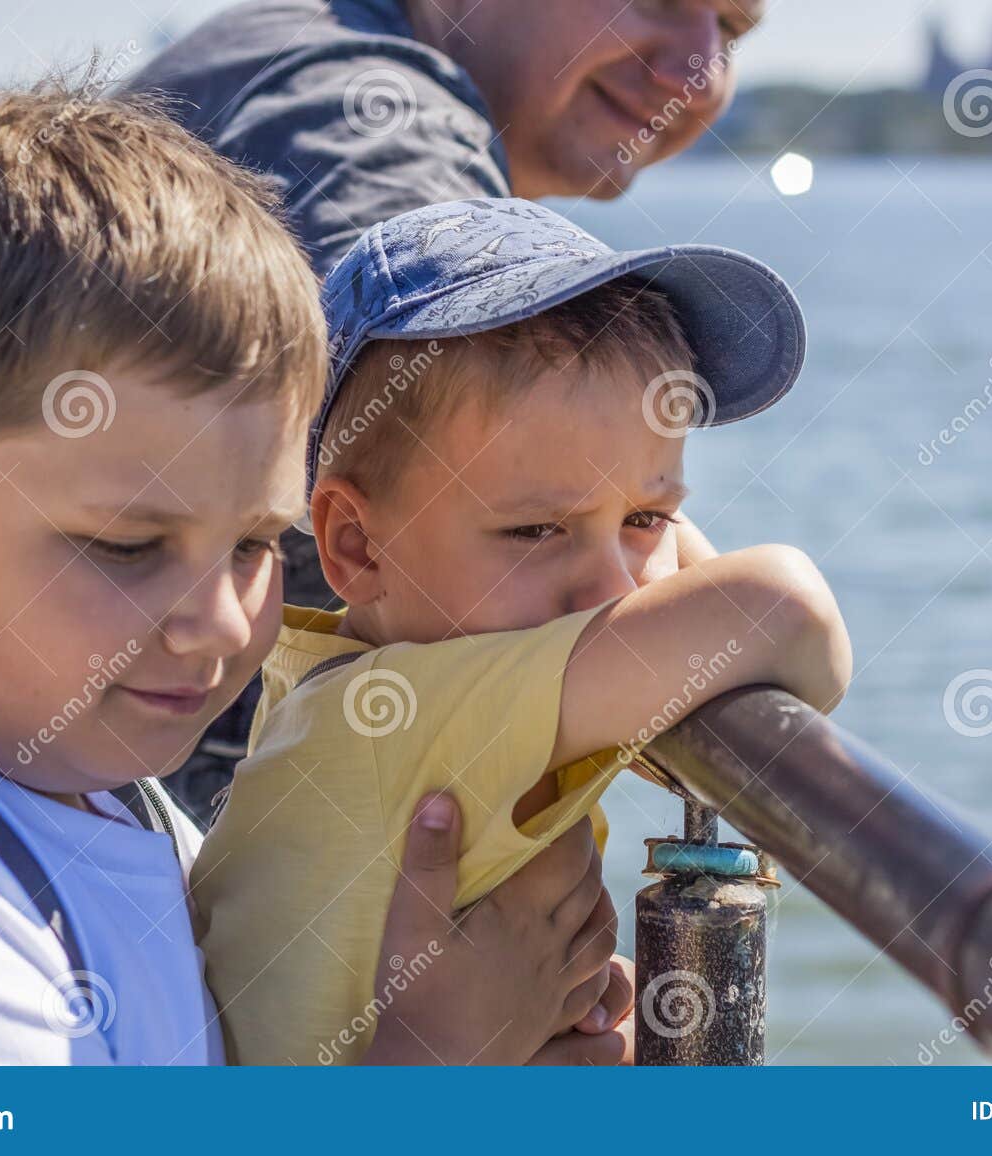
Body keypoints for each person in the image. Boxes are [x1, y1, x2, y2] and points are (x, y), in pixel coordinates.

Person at [0, 88, 629, 1066]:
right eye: (125, 546)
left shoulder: (90, 782)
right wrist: (438, 1059)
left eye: (252, 544)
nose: (214, 623)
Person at [0, 0, 766, 824]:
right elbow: (479, 422)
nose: (694, 64)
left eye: (731, 22)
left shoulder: (274, 55)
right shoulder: (369, 130)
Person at [196, 197, 851, 1064]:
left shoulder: (332, 675)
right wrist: (647, 523)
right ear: (356, 545)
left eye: (646, 519)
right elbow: (790, 613)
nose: (613, 588)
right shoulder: (428, 710)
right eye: (535, 531)